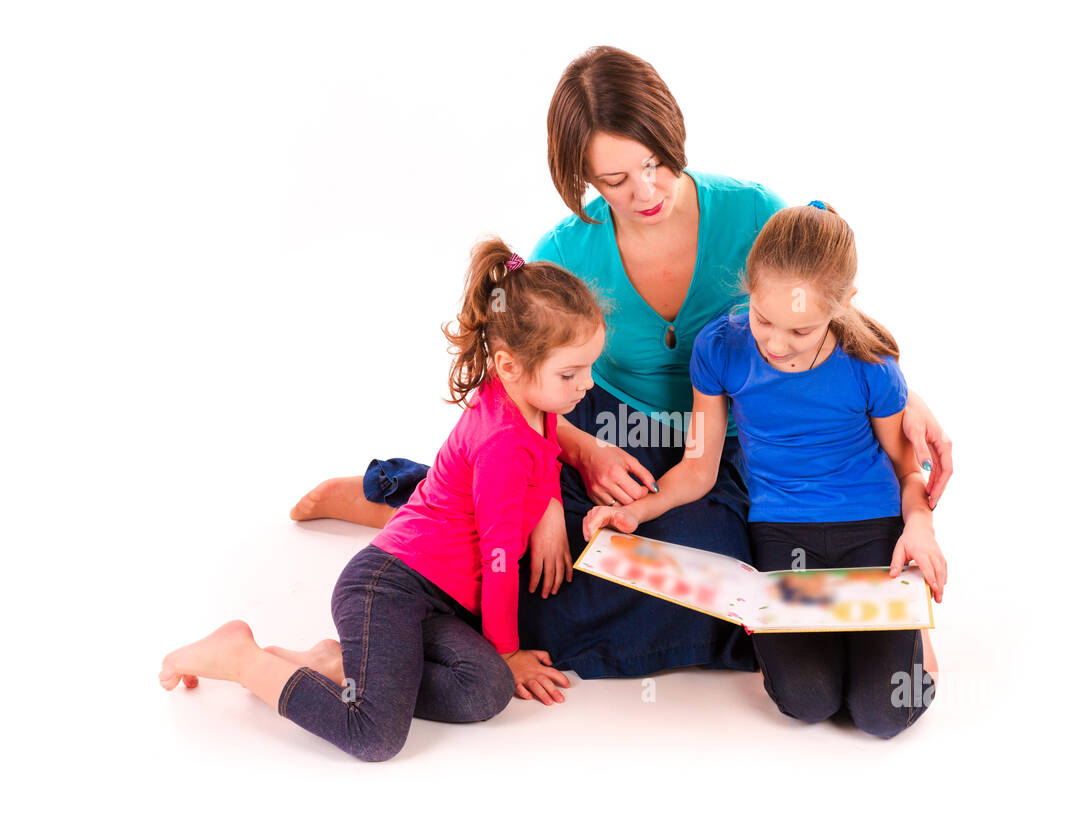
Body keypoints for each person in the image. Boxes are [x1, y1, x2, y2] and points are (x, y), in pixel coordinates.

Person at [289, 46, 952, 679]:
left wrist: (905, 395)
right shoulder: (564, 249)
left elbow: (825, 304)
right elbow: (510, 386)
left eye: (655, 163)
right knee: (557, 552)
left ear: (673, 135)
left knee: (721, 570)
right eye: (615, 179)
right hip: (606, 431)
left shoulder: (751, 210)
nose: (645, 190)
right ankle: (415, 510)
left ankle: (433, 526)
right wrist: (573, 455)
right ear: (582, 177)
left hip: (720, 442)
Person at [158, 239, 605, 760]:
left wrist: (550, 507)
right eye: (571, 374)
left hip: (441, 599)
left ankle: (340, 664)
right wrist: (507, 650)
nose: (587, 386)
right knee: (374, 734)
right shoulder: (502, 440)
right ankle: (241, 658)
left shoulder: (534, 400)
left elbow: (546, 455)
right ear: (508, 366)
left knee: (486, 690)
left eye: (589, 368)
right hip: (387, 586)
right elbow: (499, 559)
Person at [583, 202, 945, 736]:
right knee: (806, 702)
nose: (776, 345)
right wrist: (637, 510)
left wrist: (920, 524)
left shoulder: (871, 366)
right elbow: (699, 468)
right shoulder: (720, 347)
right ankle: (864, 641)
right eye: (763, 319)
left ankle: (909, 637)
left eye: (800, 331)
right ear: (748, 290)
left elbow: (907, 471)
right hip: (781, 531)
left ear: (844, 306)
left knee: (882, 714)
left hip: (871, 530)